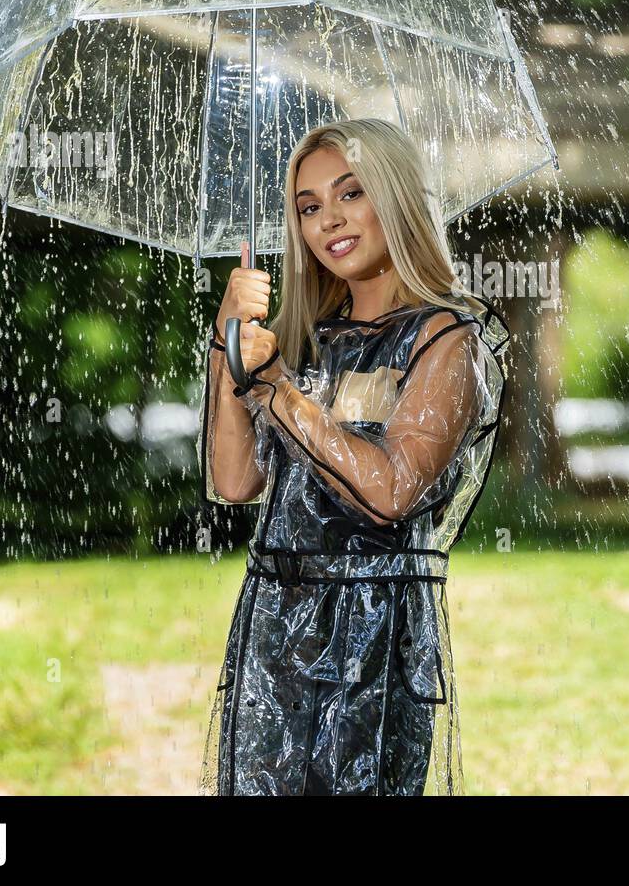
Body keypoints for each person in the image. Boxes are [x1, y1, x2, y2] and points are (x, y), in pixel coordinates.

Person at [196, 117, 509, 796]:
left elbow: (392, 490)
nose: (327, 220)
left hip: (376, 636)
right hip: (276, 626)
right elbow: (234, 478)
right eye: (308, 208)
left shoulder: (446, 338)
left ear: (393, 196)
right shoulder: (300, 338)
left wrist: (279, 389)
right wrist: (228, 344)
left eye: (350, 194)